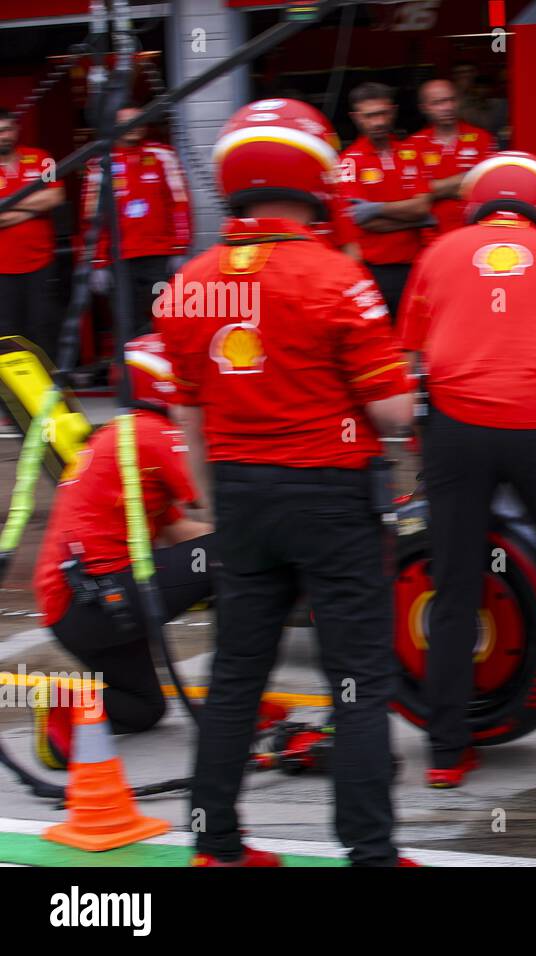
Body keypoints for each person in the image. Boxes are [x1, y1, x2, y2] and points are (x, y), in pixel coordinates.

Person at [160, 99, 414, 867]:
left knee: (237, 671)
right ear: (313, 175)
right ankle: (370, 853)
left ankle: (216, 842)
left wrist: (213, 499)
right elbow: (393, 409)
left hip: (239, 496)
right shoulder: (341, 277)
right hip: (331, 497)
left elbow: (189, 412)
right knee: (359, 679)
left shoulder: (190, 285)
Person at [397, 151, 536, 796]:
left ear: (476, 207)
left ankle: (445, 753)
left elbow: (413, 361)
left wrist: (429, 445)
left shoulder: (436, 254)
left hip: (454, 428)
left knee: (453, 582)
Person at [31, 334, 212, 769]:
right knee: (235, 558)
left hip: (78, 609)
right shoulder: (154, 434)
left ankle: (64, 705)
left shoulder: (123, 437)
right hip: (98, 598)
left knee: (144, 708)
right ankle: (240, 695)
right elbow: (218, 500)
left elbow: (179, 530)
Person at [81, 104, 191, 336]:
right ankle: (129, 371)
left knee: (167, 318)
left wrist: (179, 248)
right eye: (125, 122)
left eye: (138, 121)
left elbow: (179, 203)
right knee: (125, 327)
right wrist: (97, 262)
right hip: (118, 260)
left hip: (159, 257)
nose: (133, 127)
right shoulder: (99, 163)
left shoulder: (163, 155)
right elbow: (93, 216)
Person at [337, 82, 434, 317]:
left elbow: (423, 206)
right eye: (370, 116)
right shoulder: (349, 161)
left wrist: (377, 208)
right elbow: (363, 221)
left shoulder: (410, 152)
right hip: (375, 272)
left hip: (417, 267)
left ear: (393, 111)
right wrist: (416, 220)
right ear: (356, 117)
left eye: (382, 113)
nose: (378, 122)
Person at [0, 109, 65, 359]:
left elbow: (55, 196)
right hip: (3, 270)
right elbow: (43, 199)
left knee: (43, 329)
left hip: (42, 264)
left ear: (15, 131)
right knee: (7, 335)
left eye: (6, 130)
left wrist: (8, 205)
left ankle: (48, 390)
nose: (2, 136)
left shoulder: (41, 159)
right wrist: (32, 208)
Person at [406, 78, 497, 237]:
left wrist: (432, 189)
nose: (447, 107)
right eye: (438, 103)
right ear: (424, 108)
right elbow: (410, 195)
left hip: (476, 234)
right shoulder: (412, 146)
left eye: (451, 100)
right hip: (431, 238)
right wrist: (466, 179)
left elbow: (489, 186)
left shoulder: (482, 138)